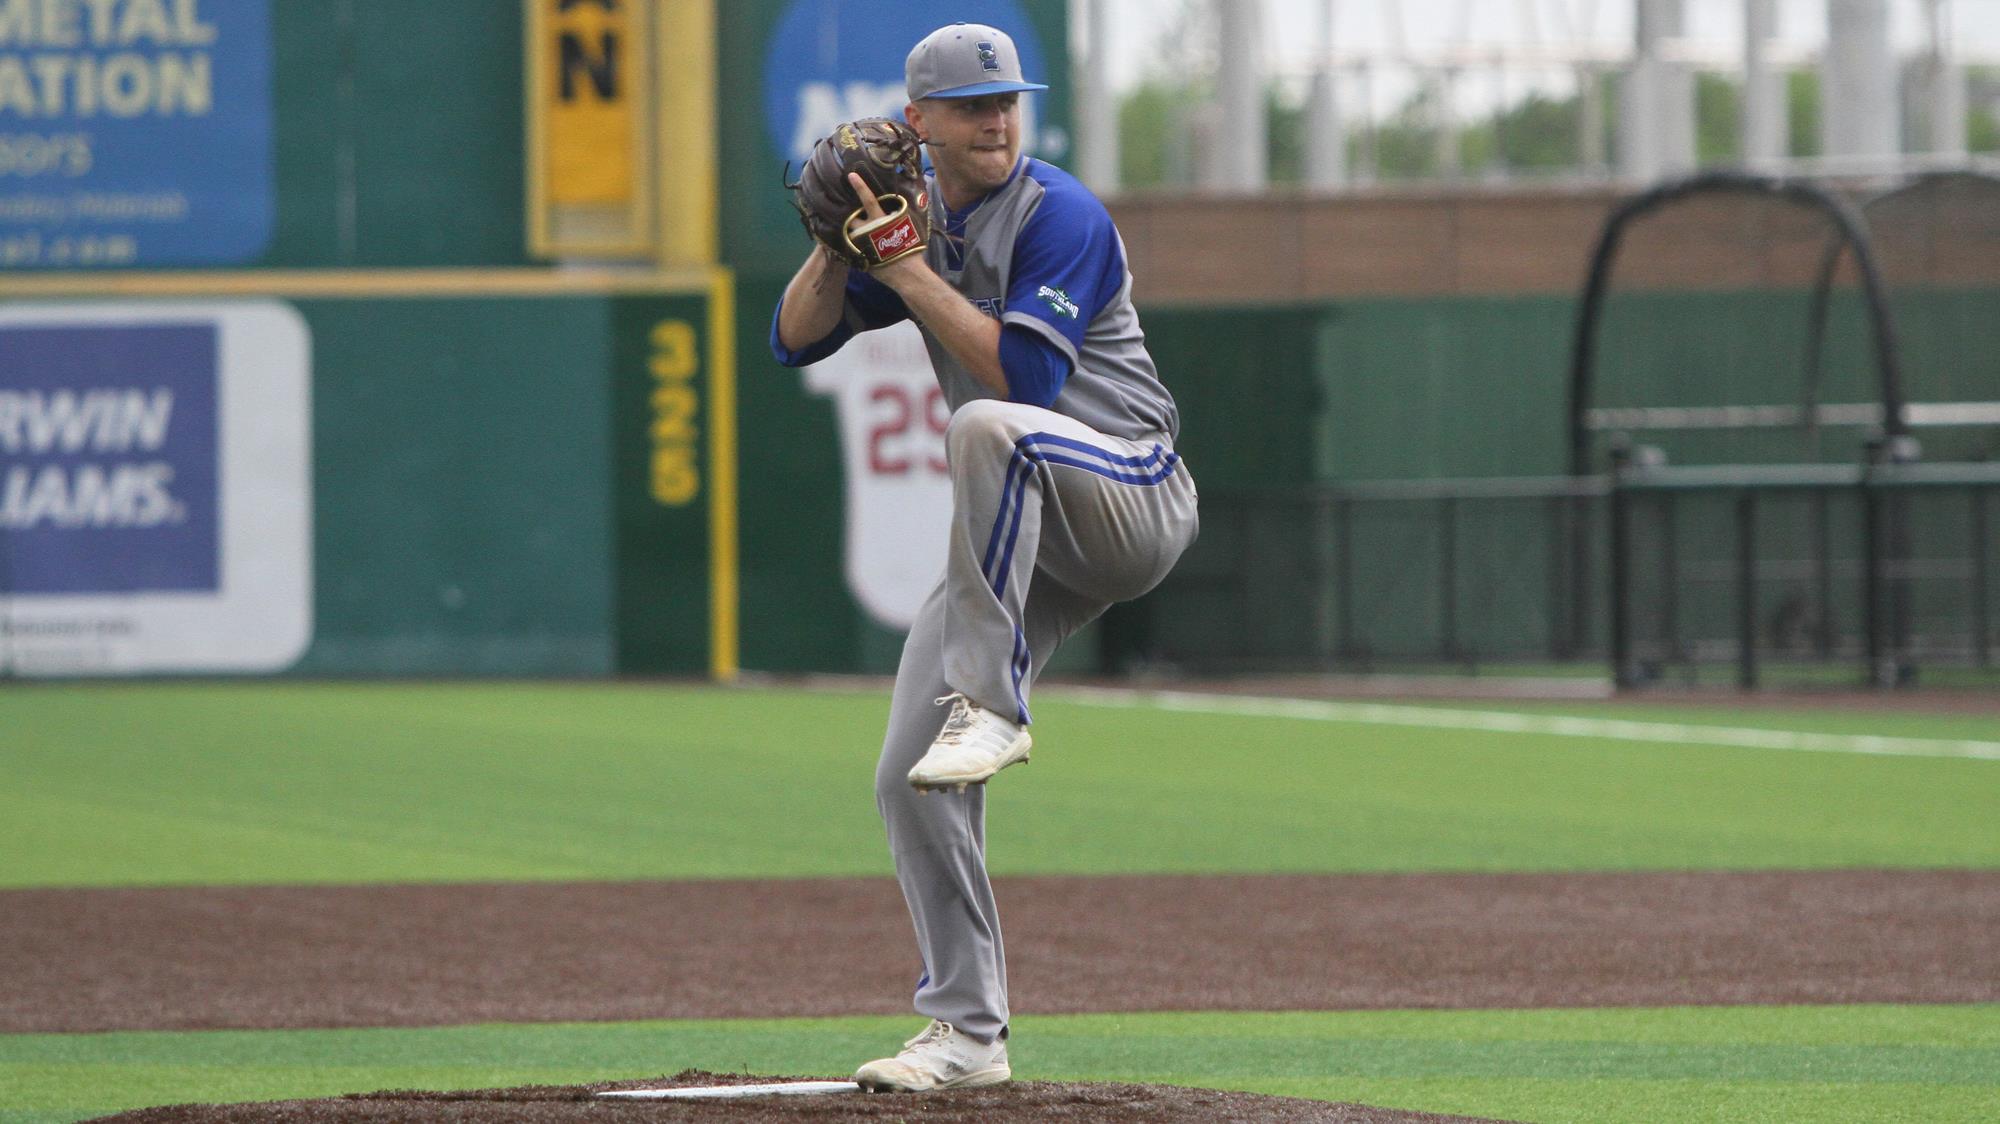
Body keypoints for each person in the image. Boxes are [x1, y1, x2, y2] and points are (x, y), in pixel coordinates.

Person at [770, 21, 1199, 1093]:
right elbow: (793, 337)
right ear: (921, 124)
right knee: (908, 775)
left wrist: (908, 273)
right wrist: (832, 246)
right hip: (1028, 537)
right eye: (971, 105)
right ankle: (966, 1032)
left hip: (1130, 489)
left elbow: (1024, 384)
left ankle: (994, 702)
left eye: (1006, 98)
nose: (997, 117)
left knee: (979, 427)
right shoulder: (913, 226)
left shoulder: (1060, 212)